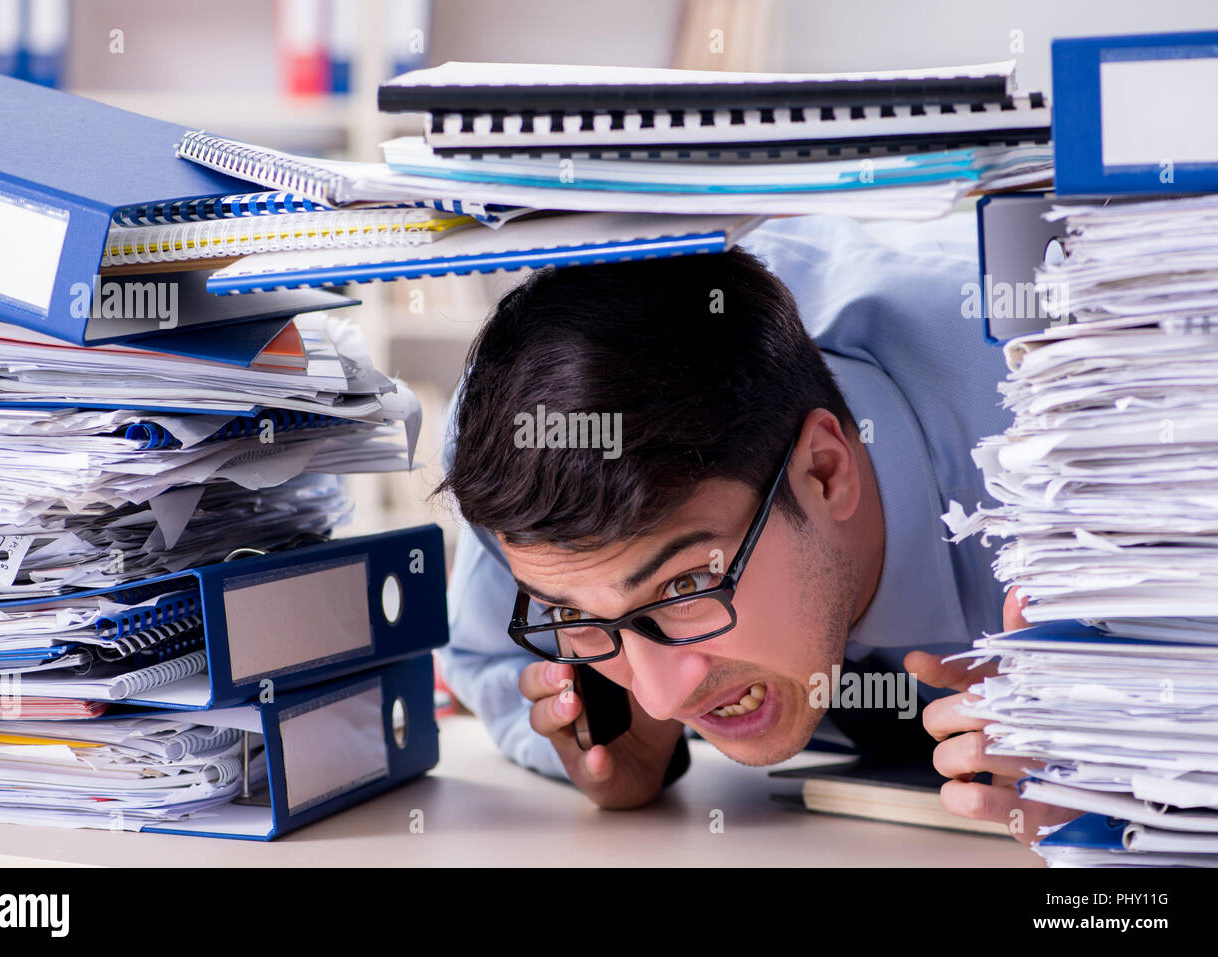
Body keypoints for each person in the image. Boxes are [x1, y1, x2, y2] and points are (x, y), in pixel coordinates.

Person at [434, 214, 1077, 843]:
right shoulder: (521, 459)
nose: (660, 700)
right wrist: (614, 753)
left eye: (685, 584)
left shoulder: (1076, 409)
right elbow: (484, 660)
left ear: (824, 472)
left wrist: (1114, 793)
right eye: (572, 618)